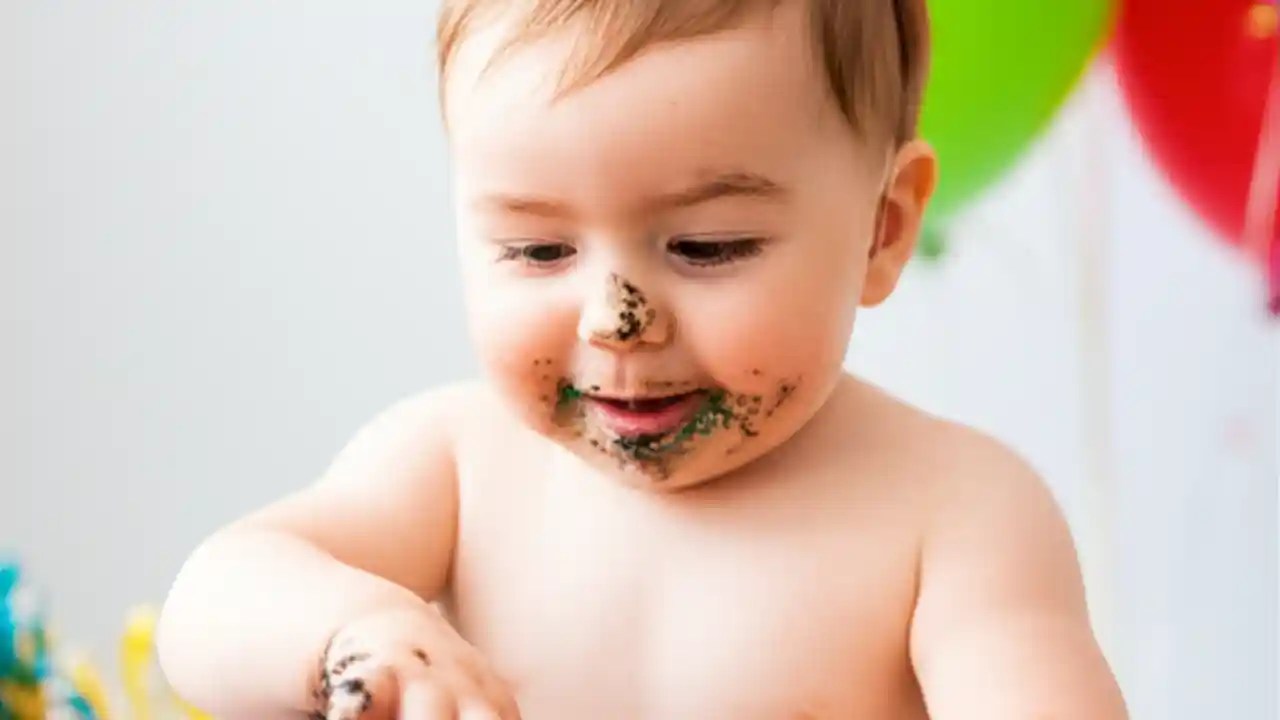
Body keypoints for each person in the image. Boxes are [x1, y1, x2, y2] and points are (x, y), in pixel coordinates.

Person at [156, 1, 1128, 717]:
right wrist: (353, 632)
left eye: (706, 246)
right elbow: (212, 599)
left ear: (882, 227)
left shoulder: (953, 512)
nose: (615, 322)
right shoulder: (457, 465)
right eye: (538, 250)